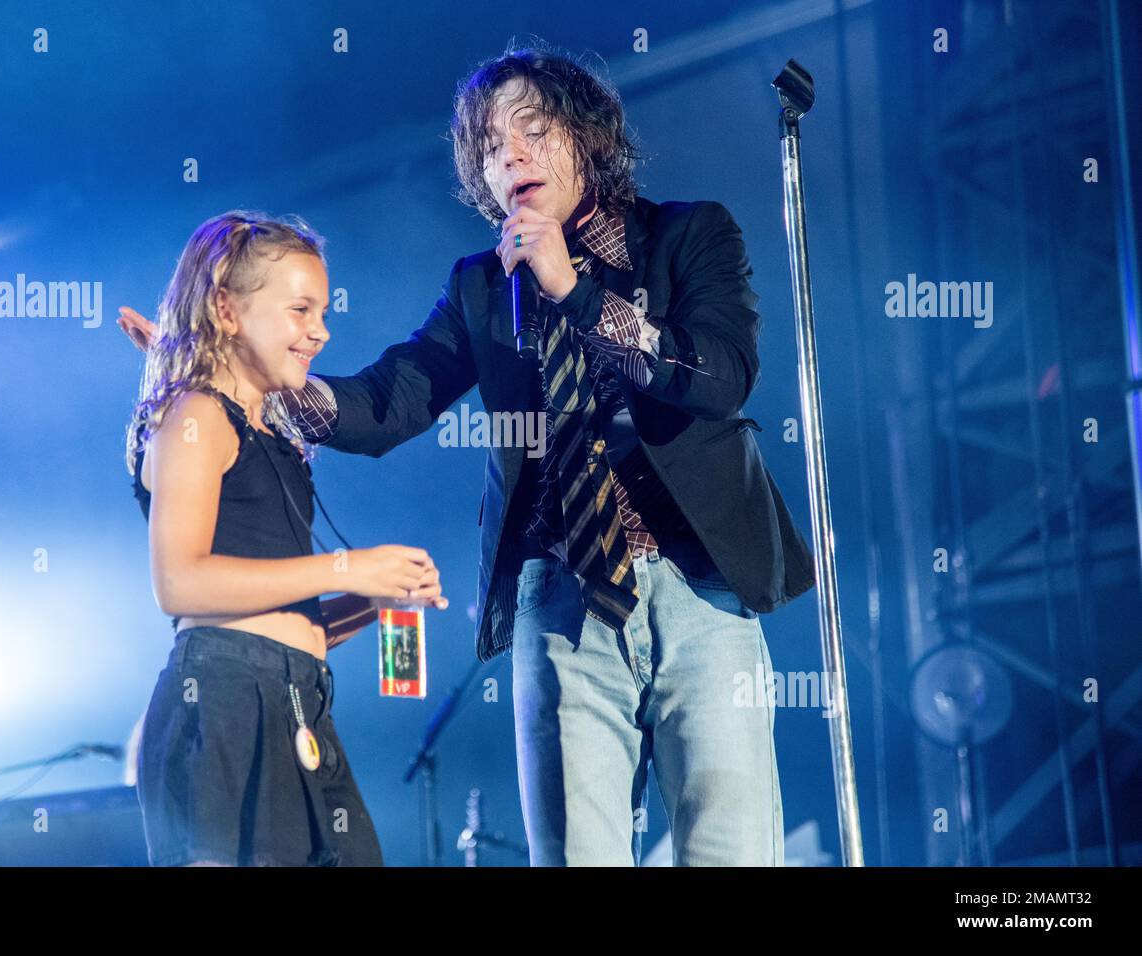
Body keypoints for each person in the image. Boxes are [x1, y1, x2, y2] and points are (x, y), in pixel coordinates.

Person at [120, 45, 816, 867]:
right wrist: (237, 369)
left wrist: (577, 293)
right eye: (489, 146)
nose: (509, 156)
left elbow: (719, 376)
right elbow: (387, 403)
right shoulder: (482, 285)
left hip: (701, 583)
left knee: (729, 846)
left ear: (586, 136)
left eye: (531, 131)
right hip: (563, 597)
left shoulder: (686, 235)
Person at [124, 210, 447, 867]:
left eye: (323, 313)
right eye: (301, 310)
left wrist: (377, 596)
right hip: (222, 706)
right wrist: (345, 567)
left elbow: (284, 619)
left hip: (300, 704)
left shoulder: (275, 439)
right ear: (226, 308)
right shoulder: (194, 416)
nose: (320, 332)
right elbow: (179, 583)